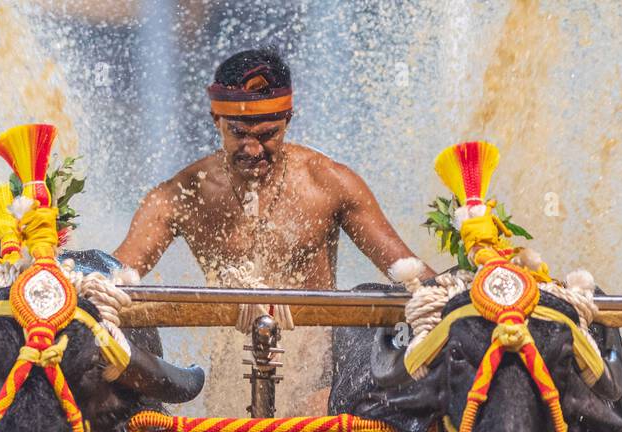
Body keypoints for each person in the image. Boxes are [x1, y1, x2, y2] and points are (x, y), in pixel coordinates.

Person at [109, 48, 433, 409]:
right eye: (238, 133)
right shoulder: (181, 196)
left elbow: (414, 276)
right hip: (230, 383)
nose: (252, 148)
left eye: (267, 135)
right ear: (216, 119)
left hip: (321, 386)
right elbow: (113, 278)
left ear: (288, 120)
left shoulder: (328, 183)